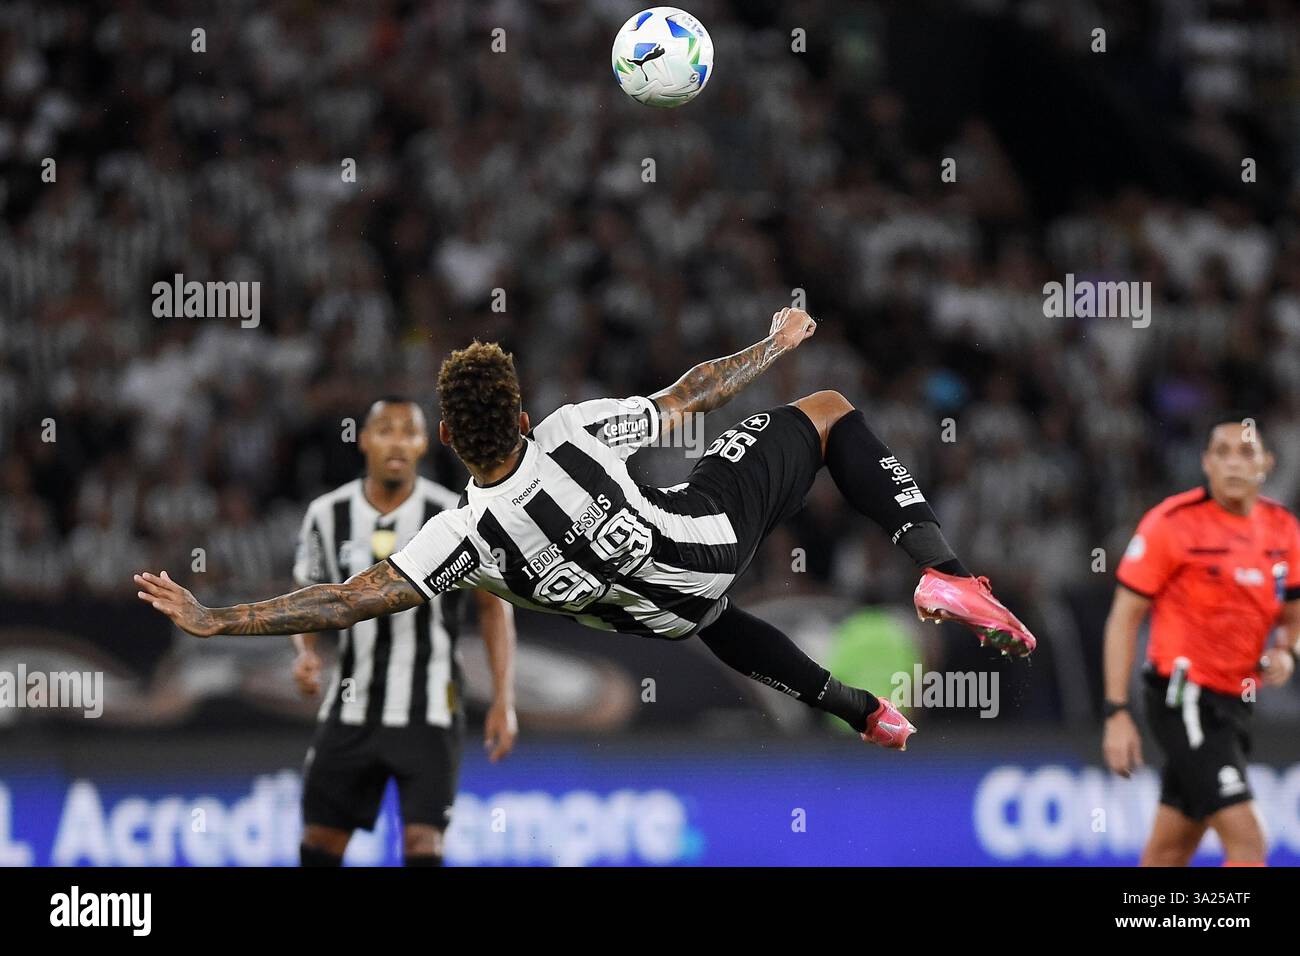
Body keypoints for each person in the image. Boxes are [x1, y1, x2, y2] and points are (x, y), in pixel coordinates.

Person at [136, 307, 1036, 752]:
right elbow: (693, 395)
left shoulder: (456, 540)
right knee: (831, 413)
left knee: (704, 617)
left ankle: (858, 712)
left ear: (448, 439)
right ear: (522, 415)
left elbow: (340, 603)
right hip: (703, 542)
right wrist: (775, 343)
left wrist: (217, 618)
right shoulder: (570, 432)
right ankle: (941, 569)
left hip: (659, 617)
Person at [293, 397, 516, 867]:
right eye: (385, 430)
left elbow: (493, 609)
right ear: (363, 439)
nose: (397, 441)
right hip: (351, 710)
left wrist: (503, 698)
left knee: (423, 847)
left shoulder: (453, 514)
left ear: (426, 442)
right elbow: (307, 595)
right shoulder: (326, 514)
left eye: (408, 432)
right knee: (320, 844)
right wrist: (304, 652)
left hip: (430, 711)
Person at [1103, 418, 1300, 866]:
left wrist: (1287, 650)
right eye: (1222, 452)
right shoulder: (1172, 524)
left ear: (1266, 464)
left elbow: (1293, 616)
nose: (1234, 462)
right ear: (1206, 463)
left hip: (1235, 704)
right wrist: (1116, 713)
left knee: (1169, 850)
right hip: (1184, 696)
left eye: (1246, 452)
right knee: (1248, 842)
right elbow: (1123, 618)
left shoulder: (1283, 530)